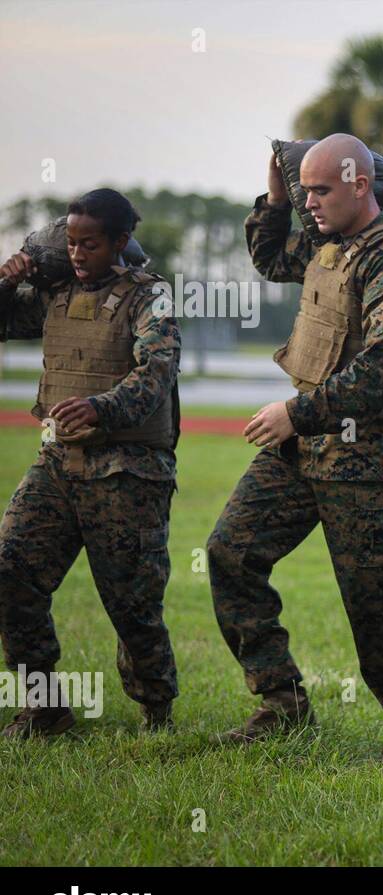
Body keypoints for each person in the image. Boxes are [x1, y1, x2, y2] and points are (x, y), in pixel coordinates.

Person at [208, 134, 383, 755]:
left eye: (320, 190)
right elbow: (267, 258)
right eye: (304, 190)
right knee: (230, 553)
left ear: (360, 185)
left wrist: (295, 411)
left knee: (373, 597)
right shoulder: (326, 245)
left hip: (366, 453)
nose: (309, 202)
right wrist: (274, 192)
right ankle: (280, 703)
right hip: (303, 446)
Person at [0, 189, 180, 737]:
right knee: (10, 568)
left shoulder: (153, 298)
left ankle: (156, 711)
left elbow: (155, 374)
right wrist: (6, 283)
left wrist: (99, 407)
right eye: (71, 243)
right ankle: (45, 708)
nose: (77, 254)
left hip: (129, 471)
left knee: (133, 605)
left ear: (121, 241)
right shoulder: (54, 294)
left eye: (91, 244)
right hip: (58, 462)